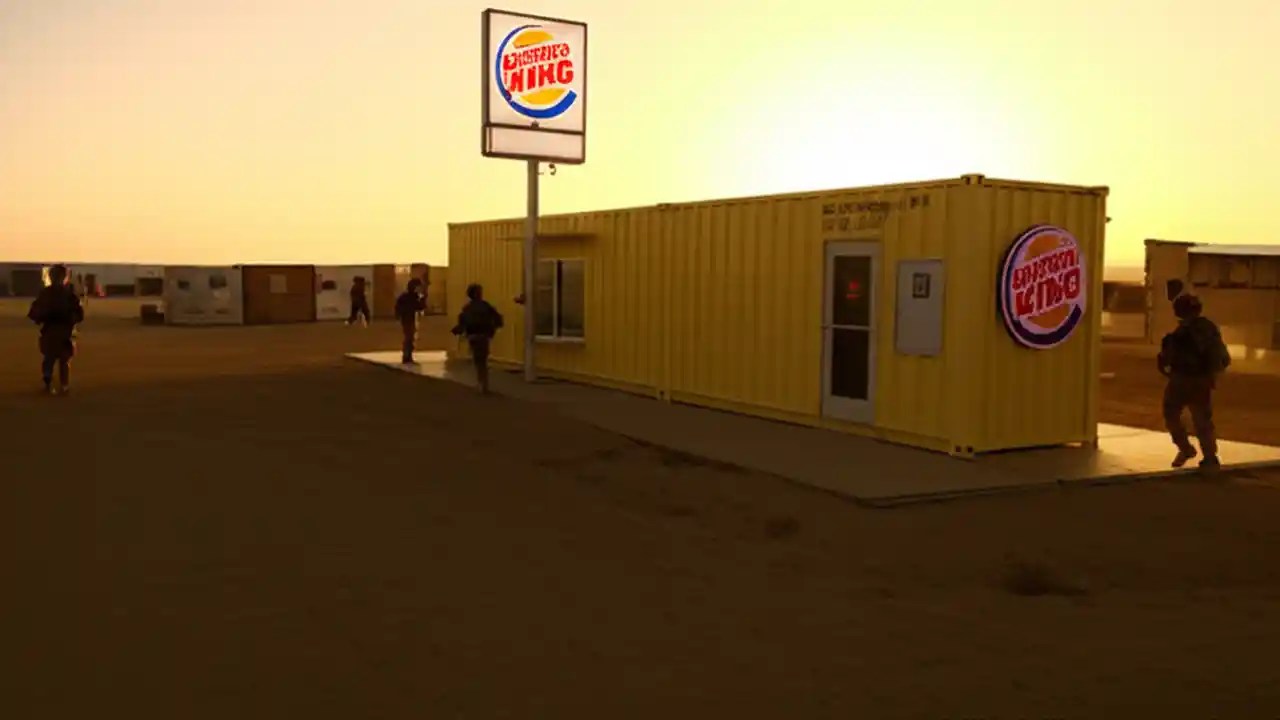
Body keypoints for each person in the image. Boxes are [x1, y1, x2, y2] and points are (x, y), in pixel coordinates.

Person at [1157, 293, 1230, 470]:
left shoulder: (1182, 333)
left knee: (1171, 414)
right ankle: (1210, 457)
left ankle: (1185, 448)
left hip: (1182, 380)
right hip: (1202, 381)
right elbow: (1222, 357)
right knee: (1202, 420)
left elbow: (1168, 358)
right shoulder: (1209, 328)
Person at [27, 264, 84, 396]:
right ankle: (49, 383)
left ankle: (64, 385)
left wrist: (70, 319)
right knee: (50, 359)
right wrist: (41, 316)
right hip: (51, 331)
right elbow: (34, 311)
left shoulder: (69, 295)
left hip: (64, 332)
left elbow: (79, 314)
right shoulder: (46, 294)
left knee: (63, 360)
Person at [451, 283, 504, 394]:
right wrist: (493, 329)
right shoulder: (486, 306)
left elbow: (462, 323)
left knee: (478, 360)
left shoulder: (467, 308)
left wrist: (457, 331)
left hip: (473, 336)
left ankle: (481, 383)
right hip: (484, 336)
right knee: (482, 360)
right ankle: (483, 383)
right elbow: (498, 319)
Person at [395, 278, 427, 364]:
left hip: (409, 318)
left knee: (410, 337)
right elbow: (420, 307)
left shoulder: (407, 296)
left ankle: (408, 356)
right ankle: (407, 356)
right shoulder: (412, 297)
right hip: (408, 318)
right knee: (409, 337)